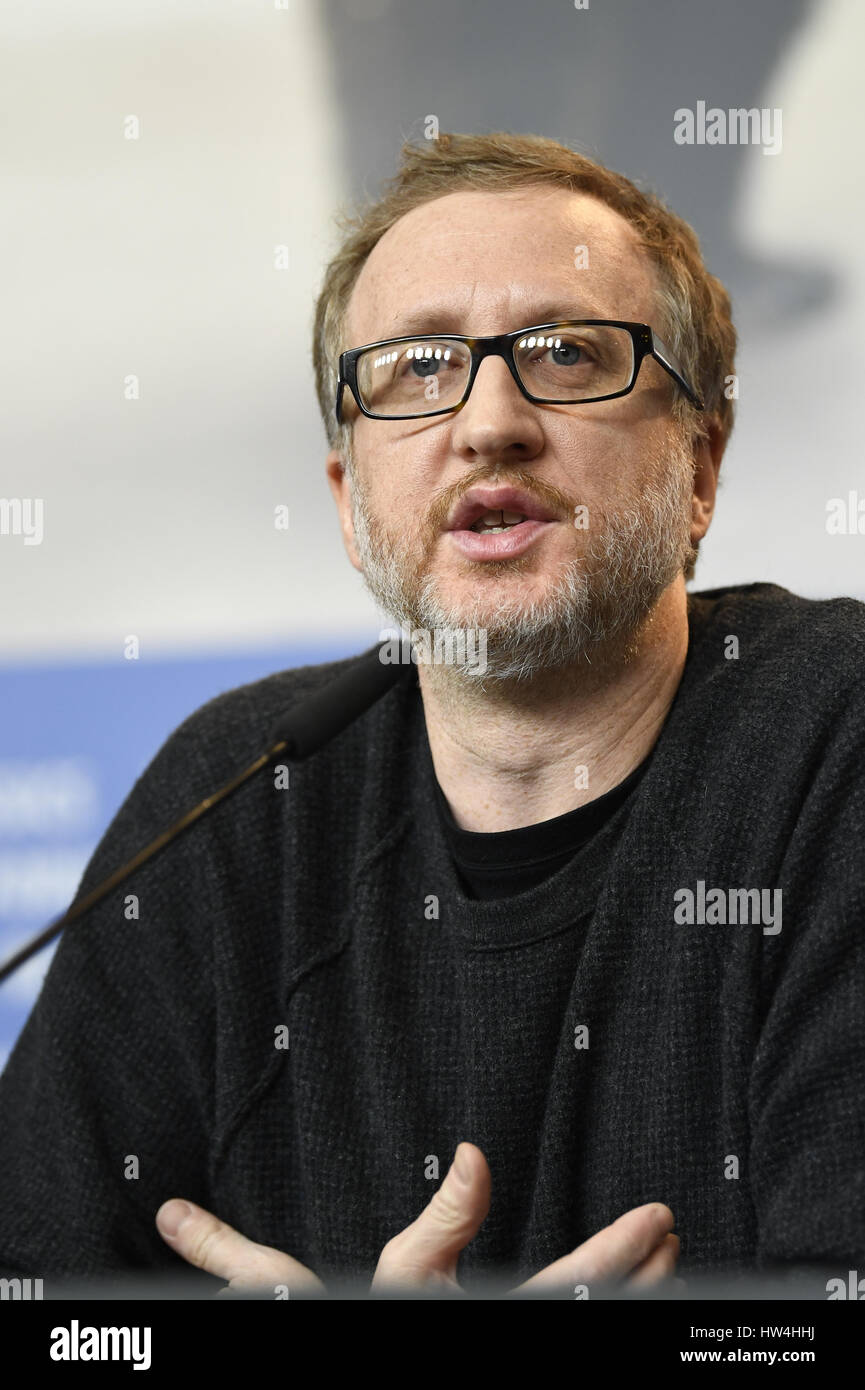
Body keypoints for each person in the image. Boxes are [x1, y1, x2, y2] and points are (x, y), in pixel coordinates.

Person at [1, 132, 863, 1299]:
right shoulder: (240, 790)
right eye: (416, 366)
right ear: (352, 504)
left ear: (699, 464)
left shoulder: (834, 732)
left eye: (565, 352)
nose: (488, 422)